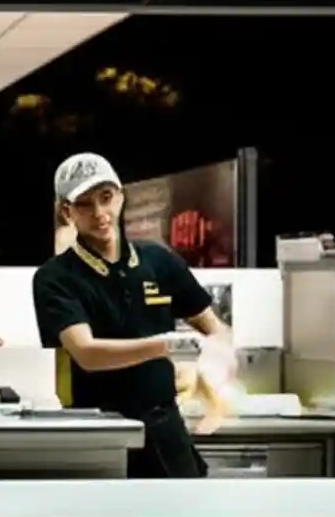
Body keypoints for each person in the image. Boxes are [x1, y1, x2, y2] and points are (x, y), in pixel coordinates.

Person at [32, 152, 236, 478]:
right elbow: (87, 353)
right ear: (67, 212)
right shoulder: (55, 278)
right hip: (96, 432)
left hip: (165, 429)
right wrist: (166, 346)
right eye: (85, 204)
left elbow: (216, 330)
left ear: (121, 196)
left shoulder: (159, 261)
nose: (100, 213)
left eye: (106, 197)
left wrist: (212, 372)